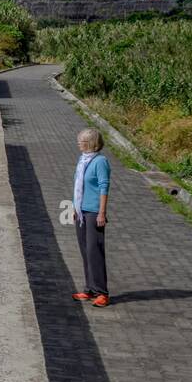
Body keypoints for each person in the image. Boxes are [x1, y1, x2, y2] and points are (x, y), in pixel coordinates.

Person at [71, 128, 111, 307]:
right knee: (85, 250)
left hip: (94, 211)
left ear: (90, 142)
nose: (78, 143)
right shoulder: (83, 160)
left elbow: (104, 186)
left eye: (81, 141)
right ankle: (89, 289)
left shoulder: (100, 161)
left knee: (95, 251)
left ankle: (102, 292)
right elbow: (78, 185)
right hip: (81, 212)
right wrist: (75, 207)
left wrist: (102, 212)